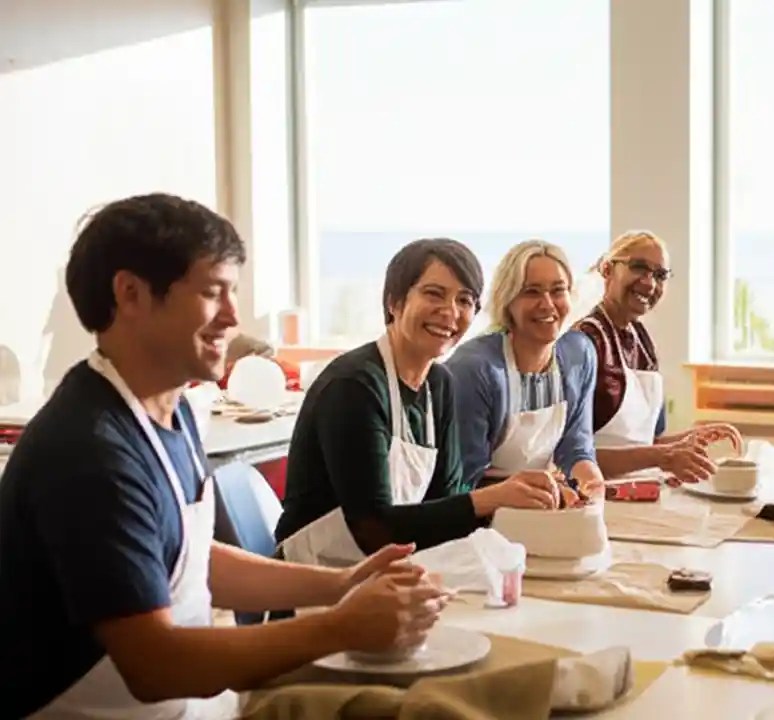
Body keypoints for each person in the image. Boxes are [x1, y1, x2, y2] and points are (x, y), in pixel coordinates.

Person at [0, 195, 443, 719]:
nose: (234, 318)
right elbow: (155, 666)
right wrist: (341, 625)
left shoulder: (170, 408)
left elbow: (189, 559)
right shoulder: (88, 452)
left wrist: (344, 585)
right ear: (130, 293)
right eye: (214, 293)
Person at [276, 238, 562, 564]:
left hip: (386, 566)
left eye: (465, 300)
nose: (450, 312)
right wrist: (492, 498)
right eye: (434, 293)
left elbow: (447, 501)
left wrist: (523, 501)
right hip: (314, 577)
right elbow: (373, 528)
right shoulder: (354, 386)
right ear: (394, 302)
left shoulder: (438, 385)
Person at [573, 230, 742, 483]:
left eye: (660, 275)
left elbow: (647, 442)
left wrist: (687, 441)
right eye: (639, 268)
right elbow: (569, 458)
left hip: (640, 491)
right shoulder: (582, 343)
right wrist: (663, 456)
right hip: (593, 497)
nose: (650, 283)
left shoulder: (642, 341)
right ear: (607, 270)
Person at [446, 240, 605, 503]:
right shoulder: (474, 369)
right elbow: (462, 483)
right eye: (532, 292)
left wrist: (592, 483)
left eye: (558, 290)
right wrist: (539, 489)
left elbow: (575, 447)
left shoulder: (579, 355)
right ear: (507, 300)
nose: (547, 304)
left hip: (540, 506)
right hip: (477, 515)